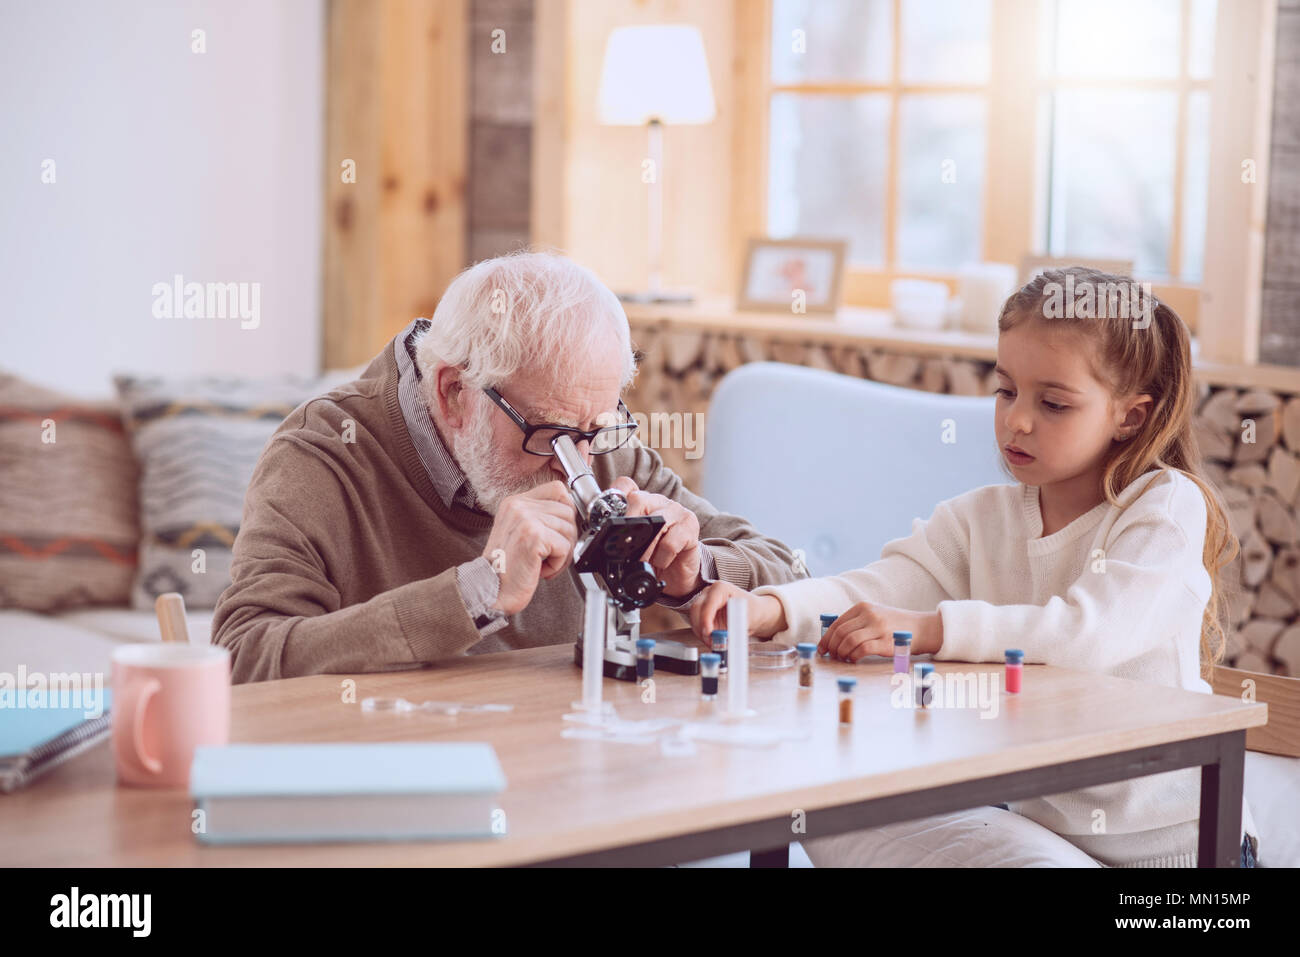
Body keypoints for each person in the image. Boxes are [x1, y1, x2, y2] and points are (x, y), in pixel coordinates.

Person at [691, 267, 1259, 868]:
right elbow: (879, 588)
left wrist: (932, 628)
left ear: (1131, 417)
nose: (1017, 420)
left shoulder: (1164, 507)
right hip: (1047, 836)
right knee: (811, 804)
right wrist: (772, 608)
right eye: (1006, 390)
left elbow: (1086, 636)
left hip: (1185, 852)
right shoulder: (981, 518)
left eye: (1054, 403)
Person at [212, 251, 806, 683]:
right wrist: (477, 590)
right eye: (547, 433)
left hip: (578, 782)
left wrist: (696, 571)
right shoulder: (323, 455)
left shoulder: (595, 443)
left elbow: (793, 573)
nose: (575, 463)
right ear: (453, 391)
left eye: (594, 431)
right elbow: (245, 658)